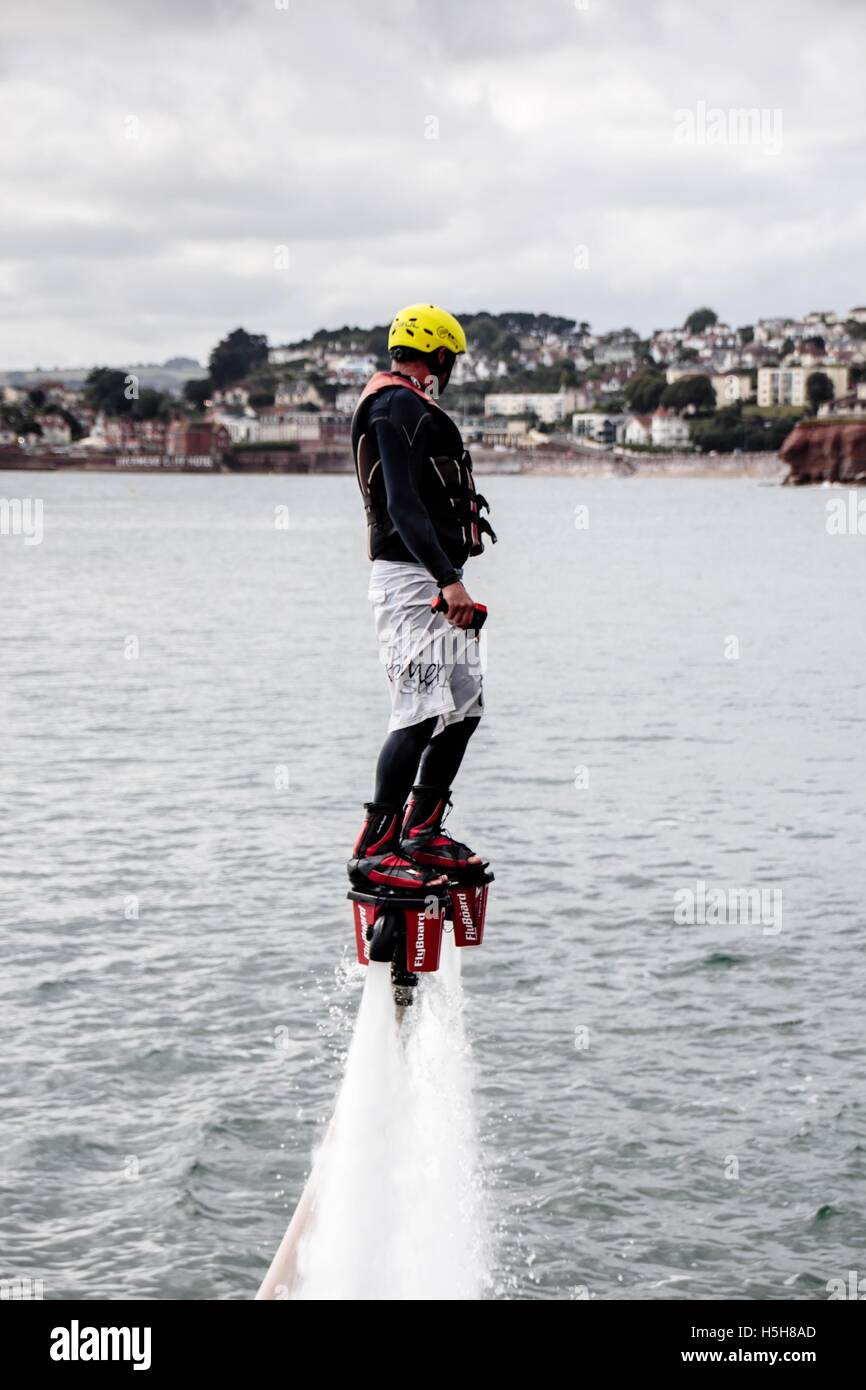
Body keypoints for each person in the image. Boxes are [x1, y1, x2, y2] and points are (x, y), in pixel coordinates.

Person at [347, 303, 496, 894]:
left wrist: (448, 579)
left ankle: (422, 831)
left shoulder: (404, 402)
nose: (451, 367)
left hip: (429, 579)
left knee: (463, 706)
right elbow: (403, 506)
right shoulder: (393, 405)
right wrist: (448, 581)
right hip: (411, 582)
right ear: (439, 354)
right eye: (451, 358)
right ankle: (374, 849)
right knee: (418, 711)